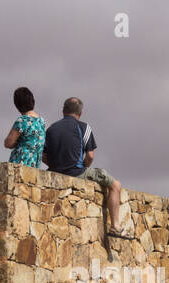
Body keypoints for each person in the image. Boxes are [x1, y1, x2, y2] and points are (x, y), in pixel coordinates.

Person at [43, 97, 129, 238]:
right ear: (80, 113)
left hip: (54, 172)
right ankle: (115, 227)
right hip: (76, 172)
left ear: (63, 110)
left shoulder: (51, 129)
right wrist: (83, 167)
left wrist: (56, 165)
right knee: (115, 185)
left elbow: (44, 156)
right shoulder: (84, 127)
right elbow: (90, 156)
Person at [4, 86, 45, 168]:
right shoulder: (41, 121)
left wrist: (17, 143)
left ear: (17, 104)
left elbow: (8, 143)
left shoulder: (22, 120)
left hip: (21, 163)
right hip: (35, 165)